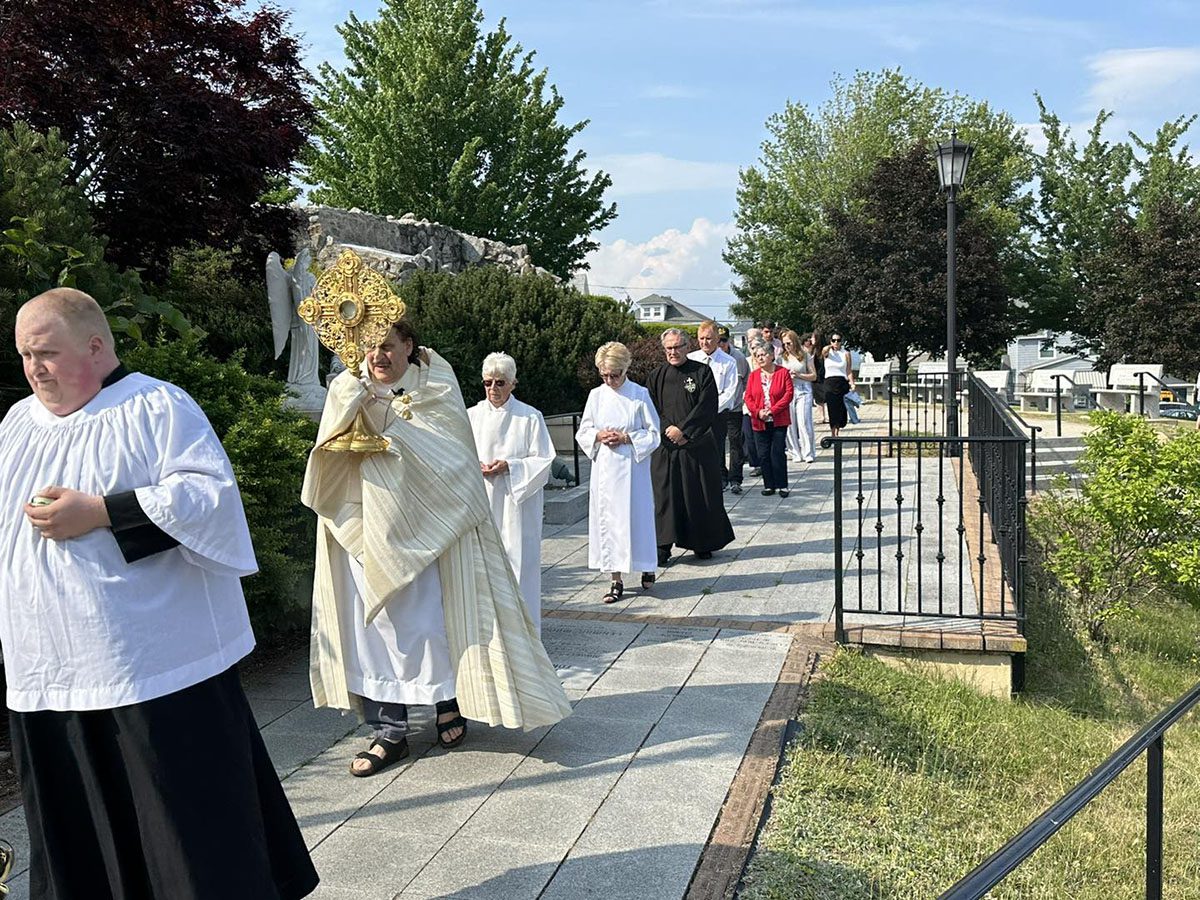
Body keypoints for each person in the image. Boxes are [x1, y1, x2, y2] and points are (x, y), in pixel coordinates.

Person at [2, 288, 318, 899]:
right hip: (48, 668)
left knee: (181, 829)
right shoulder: (17, 422)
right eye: (23, 355)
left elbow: (211, 501)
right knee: (82, 832)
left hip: (152, 671)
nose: (32, 369)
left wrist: (101, 511)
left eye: (44, 353)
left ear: (95, 347)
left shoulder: (155, 407)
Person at [304, 319, 570, 777]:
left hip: (432, 526)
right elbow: (327, 453)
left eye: (387, 347)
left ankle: (448, 701)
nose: (378, 357)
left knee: (435, 623)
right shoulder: (347, 385)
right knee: (374, 626)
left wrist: (393, 443)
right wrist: (352, 406)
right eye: (370, 348)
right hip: (366, 523)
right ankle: (390, 729)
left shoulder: (437, 384)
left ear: (408, 345)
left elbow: (451, 454)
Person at [468, 352, 555, 635]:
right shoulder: (471, 416)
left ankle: (523, 635)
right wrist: (475, 465)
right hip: (482, 499)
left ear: (513, 383)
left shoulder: (530, 417)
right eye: (488, 382)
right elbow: (458, 456)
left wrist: (510, 467)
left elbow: (543, 459)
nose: (493, 389)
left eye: (500, 383)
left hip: (517, 503)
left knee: (519, 563)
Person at [575, 342, 660, 603]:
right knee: (609, 523)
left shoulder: (639, 394)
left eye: (615, 375)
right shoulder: (596, 395)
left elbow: (653, 432)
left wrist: (628, 438)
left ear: (626, 369)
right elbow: (584, 430)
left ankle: (646, 563)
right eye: (605, 375)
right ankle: (615, 579)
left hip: (633, 470)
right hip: (606, 470)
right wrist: (598, 435)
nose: (610, 380)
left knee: (637, 519)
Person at [647, 329, 735, 565]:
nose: (673, 352)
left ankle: (702, 542)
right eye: (669, 348)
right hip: (666, 447)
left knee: (698, 494)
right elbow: (652, 409)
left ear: (687, 347)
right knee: (665, 496)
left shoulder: (701, 372)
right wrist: (669, 430)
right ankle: (662, 546)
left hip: (695, 445)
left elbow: (707, 406)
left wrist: (685, 432)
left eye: (677, 347)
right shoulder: (656, 376)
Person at [687, 320, 739, 490]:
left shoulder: (728, 362)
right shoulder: (691, 359)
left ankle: (719, 479)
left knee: (717, 447)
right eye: (701, 338)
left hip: (717, 413)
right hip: (694, 413)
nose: (705, 342)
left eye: (709, 338)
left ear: (717, 339)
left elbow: (729, 392)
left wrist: (709, 410)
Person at [744, 340, 794, 497]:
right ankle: (769, 485)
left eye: (763, 354)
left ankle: (782, 485)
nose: (760, 358)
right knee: (763, 454)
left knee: (777, 452)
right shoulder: (753, 376)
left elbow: (788, 394)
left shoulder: (783, 373)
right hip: (759, 421)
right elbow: (749, 397)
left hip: (778, 419)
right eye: (757, 356)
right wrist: (758, 412)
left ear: (772, 355)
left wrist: (772, 411)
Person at [718, 326, 748, 493]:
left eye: (723, 340)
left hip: (734, 407)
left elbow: (746, 381)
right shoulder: (713, 358)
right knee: (719, 443)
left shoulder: (739, 358)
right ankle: (722, 476)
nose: (720, 344)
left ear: (728, 340)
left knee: (736, 442)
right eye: (718, 340)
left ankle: (735, 478)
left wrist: (741, 398)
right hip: (717, 409)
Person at [781, 329, 816, 463]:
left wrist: (799, 375)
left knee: (804, 422)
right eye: (784, 344)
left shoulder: (805, 355)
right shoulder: (782, 357)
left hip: (803, 390)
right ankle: (795, 452)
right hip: (788, 391)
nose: (787, 347)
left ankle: (808, 452)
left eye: (789, 343)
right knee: (789, 423)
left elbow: (813, 376)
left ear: (795, 342)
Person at [822, 331, 856, 438]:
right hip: (830, 382)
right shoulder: (828, 352)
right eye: (834, 340)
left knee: (841, 409)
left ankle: (839, 427)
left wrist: (852, 383)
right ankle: (834, 432)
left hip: (842, 382)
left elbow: (848, 370)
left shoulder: (845, 353)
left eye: (838, 340)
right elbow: (823, 352)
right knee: (832, 408)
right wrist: (829, 346)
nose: (836, 342)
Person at [743, 327, 763, 476]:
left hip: (764, 405)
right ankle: (756, 464)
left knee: (762, 437)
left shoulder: (766, 360)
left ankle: (766, 463)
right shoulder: (745, 362)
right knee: (749, 437)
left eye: (755, 345)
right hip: (747, 405)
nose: (752, 347)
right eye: (750, 345)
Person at [811, 330, 828, 425]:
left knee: (825, 396)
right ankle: (822, 416)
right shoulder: (813, 350)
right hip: (816, 376)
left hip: (824, 374)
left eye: (813, 337)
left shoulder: (824, 350)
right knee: (818, 398)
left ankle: (826, 416)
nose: (811, 339)